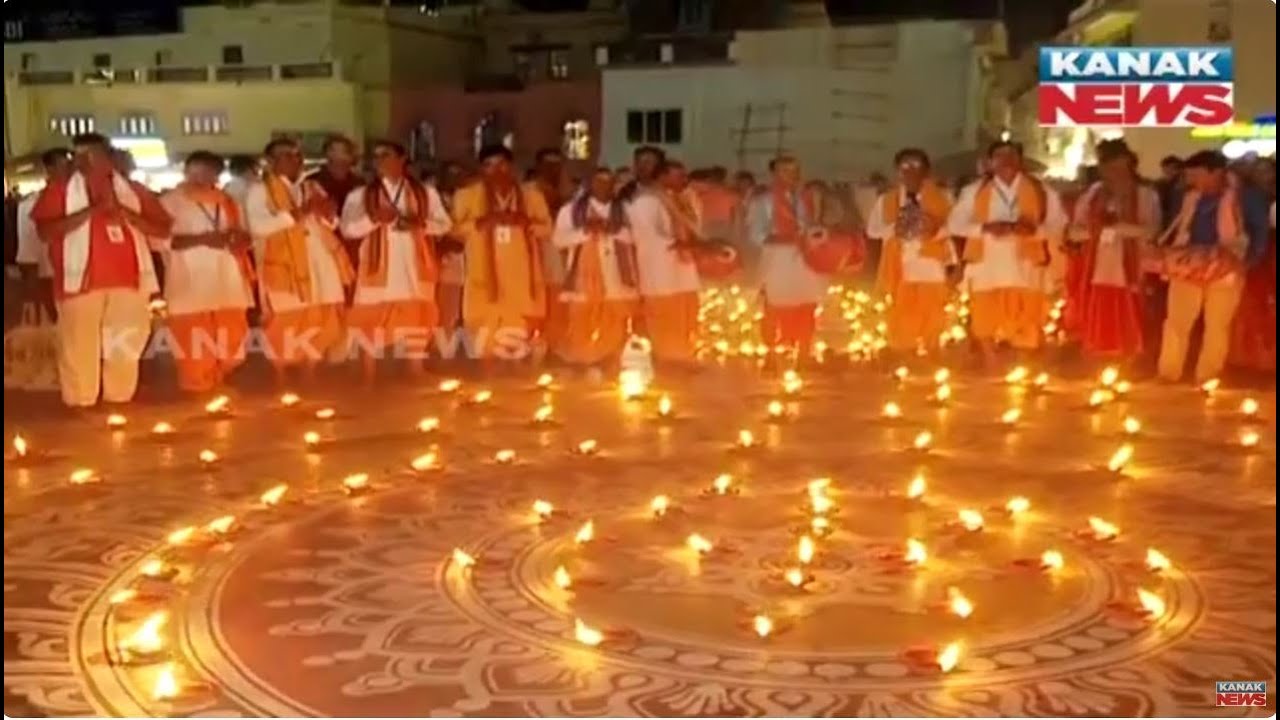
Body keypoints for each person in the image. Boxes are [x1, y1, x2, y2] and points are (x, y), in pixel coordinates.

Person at [31, 132, 172, 408]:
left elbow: (162, 228)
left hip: (129, 280)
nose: (83, 161)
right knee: (79, 345)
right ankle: (81, 402)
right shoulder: (60, 189)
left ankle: (118, 399)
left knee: (125, 343)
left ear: (108, 156)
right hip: (80, 281)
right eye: (78, 156)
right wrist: (93, 211)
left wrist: (127, 215)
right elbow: (45, 231)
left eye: (90, 155)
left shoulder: (132, 190)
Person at [339, 140, 452, 382]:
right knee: (371, 317)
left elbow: (445, 225)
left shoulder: (425, 193)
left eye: (386, 155)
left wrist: (418, 224)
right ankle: (368, 372)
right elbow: (348, 229)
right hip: (376, 268)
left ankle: (416, 368)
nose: (380, 160)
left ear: (402, 160)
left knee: (418, 315)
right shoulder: (359, 195)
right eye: (376, 156)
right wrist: (374, 220)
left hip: (414, 265)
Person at [948, 140, 1066, 368]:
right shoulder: (974, 191)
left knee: (1027, 314)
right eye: (999, 156)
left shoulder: (1043, 191)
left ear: (1020, 161)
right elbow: (955, 223)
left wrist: (1033, 231)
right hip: (987, 263)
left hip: (1025, 264)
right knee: (984, 315)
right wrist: (984, 228)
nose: (1006, 161)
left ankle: (1022, 364)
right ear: (990, 163)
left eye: (1011, 155)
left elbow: (1058, 225)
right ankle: (991, 360)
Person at [1156, 150, 1271, 383]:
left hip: (1227, 268)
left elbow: (1260, 232)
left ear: (1216, 172)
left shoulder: (1245, 197)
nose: (1191, 181)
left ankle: (1209, 375)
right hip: (1187, 265)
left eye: (1196, 175)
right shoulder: (1187, 196)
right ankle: (1168, 373)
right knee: (1177, 321)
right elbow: (1175, 227)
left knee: (1217, 325)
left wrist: (1246, 263)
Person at [246, 137, 354, 384]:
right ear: (271, 161)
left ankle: (310, 371)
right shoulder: (260, 190)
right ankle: (281, 376)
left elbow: (331, 222)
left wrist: (328, 212)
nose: (295, 160)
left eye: (297, 155)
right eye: (286, 155)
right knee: (285, 320)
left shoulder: (311, 187)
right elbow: (258, 226)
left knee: (324, 315)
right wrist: (298, 214)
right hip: (283, 265)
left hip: (320, 261)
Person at [156, 151, 255, 393]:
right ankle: (199, 388)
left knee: (232, 340)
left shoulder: (228, 201)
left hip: (228, 280)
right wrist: (203, 239)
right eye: (196, 171)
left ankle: (219, 380)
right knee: (194, 342)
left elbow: (246, 235)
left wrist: (239, 239)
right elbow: (158, 240)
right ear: (186, 171)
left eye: (209, 172)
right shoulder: (170, 201)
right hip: (188, 283)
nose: (202, 177)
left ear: (217, 175)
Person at [453, 144, 552, 366]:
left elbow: (547, 230)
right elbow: (456, 231)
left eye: (501, 164)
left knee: (519, 322)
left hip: (521, 272)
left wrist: (526, 222)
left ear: (511, 167)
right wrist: (481, 222)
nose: (496, 170)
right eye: (489, 166)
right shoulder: (467, 195)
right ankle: (488, 373)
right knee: (484, 325)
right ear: (481, 170)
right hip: (484, 273)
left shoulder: (530, 196)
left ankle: (515, 370)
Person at [1066, 139, 1159, 363]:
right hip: (1097, 262)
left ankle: (1132, 357)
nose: (1113, 172)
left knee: (1132, 309)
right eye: (1106, 166)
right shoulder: (1092, 194)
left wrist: (1118, 228)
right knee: (1099, 309)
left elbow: (1152, 231)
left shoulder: (1145, 194)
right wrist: (1095, 230)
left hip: (1132, 263)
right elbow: (1074, 232)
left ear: (1129, 164)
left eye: (1118, 165)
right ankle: (1099, 355)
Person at [868, 148, 955, 356]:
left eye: (916, 166)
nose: (910, 171)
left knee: (933, 310)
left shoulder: (943, 197)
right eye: (905, 166)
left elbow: (953, 227)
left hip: (931, 261)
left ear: (926, 170)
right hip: (899, 261)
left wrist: (933, 229)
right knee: (901, 311)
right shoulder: (886, 200)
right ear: (897, 171)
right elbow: (873, 230)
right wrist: (895, 228)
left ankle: (932, 351)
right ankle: (904, 354)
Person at [551, 167, 639, 368]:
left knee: (614, 322)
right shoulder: (571, 210)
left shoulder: (624, 209)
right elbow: (558, 240)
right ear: (590, 184)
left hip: (615, 275)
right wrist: (585, 232)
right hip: (582, 278)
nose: (603, 186)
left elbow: (635, 237)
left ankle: (607, 361)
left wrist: (613, 230)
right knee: (581, 322)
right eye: (598, 181)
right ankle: (583, 362)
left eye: (608, 182)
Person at [746, 155, 827, 359]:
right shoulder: (762, 201)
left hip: (804, 260)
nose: (792, 175)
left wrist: (814, 226)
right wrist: (789, 239)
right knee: (773, 308)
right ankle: (771, 355)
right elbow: (757, 235)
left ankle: (804, 354)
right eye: (785, 171)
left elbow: (816, 228)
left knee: (807, 307)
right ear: (774, 174)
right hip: (776, 261)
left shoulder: (806, 198)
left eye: (795, 171)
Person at [626, 149, 702, 368]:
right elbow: (647, 235)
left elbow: (695, 227)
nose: (683, 181)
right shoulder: (644, 201)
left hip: (684, 269)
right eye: (678, 176)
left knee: (686, 313)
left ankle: (684, 356)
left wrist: (693, 245)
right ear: (663, 177)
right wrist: (679, 244)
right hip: (659, 269)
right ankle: (666, 359)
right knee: (663, 317)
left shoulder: (682, 200)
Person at [16, 148, 73, 319]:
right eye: (62, 165)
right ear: (50, 169)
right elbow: (29, 254)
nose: (68, 170)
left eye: (69, 165)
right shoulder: (31, 205)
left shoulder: (79, 198)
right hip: (52, 277)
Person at [529, 147, 571, 359]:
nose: (552, 169)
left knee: (558, 307)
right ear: (539, 166)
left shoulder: (568, 194)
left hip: (560, 261)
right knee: (537, 310)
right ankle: (534, 353)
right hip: (535, 259)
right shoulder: (529, 191)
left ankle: (554, 350)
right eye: (547, 164)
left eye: (556, 165)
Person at [307, 135, 364, 273]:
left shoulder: (359, 183)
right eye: (333, 150)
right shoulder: (313, 181)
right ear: (327, 154)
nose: (339, 157)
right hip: (322, 242)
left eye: (344, 151)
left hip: (352, 242)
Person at [432, 160, 468, 333]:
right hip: (437, 261)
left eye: (458, 175)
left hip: (461, 263)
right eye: (450, 174)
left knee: (452, 310)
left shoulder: (468, 200)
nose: (455, 179)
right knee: (438, 309)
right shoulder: (433, 199)